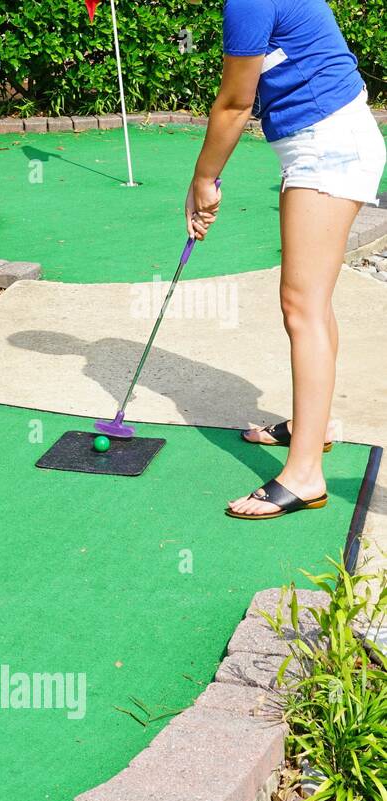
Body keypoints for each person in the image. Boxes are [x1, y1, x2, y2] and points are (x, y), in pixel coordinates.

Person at [186, 0, 385, 519]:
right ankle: (309, 428)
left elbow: (234, 102)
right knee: (313, 304)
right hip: (330, 140)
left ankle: (304, 477)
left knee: (302, 308)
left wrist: (204, 180)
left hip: (327, 148)